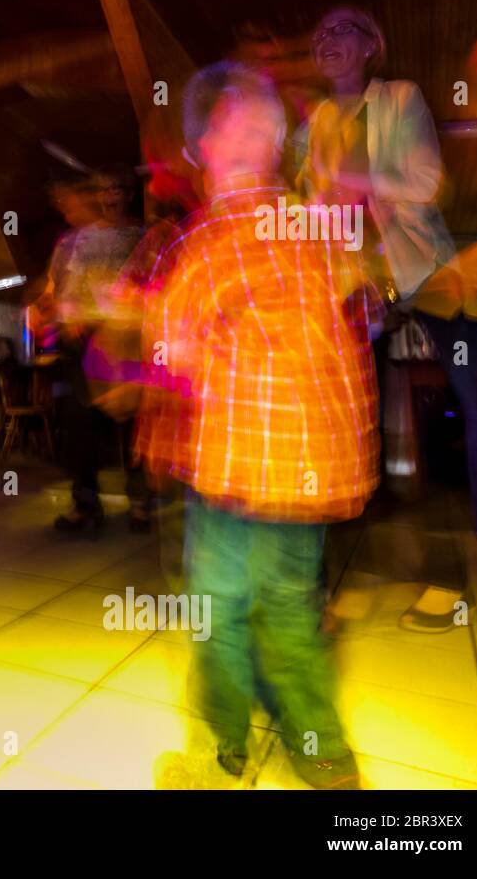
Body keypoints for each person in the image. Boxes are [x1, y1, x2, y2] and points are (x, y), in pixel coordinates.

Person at [139, 63, 378, 788]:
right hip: (305, 465)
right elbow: (349, 330)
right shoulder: (312, 230)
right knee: (288, 607)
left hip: (237, 465)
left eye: (248, 130)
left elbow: (173, 341)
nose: (239, 141)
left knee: (219, 608)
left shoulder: (207, 235)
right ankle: (325, 755)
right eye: (233, 129)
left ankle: (222, 754)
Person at [298, 6, 477, 631]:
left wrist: (356, 176)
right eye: (319, 33)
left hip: (431, 277)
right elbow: (317, 206)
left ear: (373, 46)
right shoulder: (317, 120)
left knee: (472, 402)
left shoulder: (400, 97)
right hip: (360, 283)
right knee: (358, 414)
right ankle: (355, 569)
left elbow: (424, 181)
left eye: (341, 30)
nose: (326, 40)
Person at [34, 168, 153, 534]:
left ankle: (140, 503)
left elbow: (154, 285)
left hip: (126, 338)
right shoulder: (74, 240)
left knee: (133, 424)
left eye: (117, 188)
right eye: (104, 189)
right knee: (79, 424)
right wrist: (46, 309)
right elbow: (56, 287)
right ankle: (85, 504)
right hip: (80, 342)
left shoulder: (142, 236)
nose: (110, 196)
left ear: (129, 194)